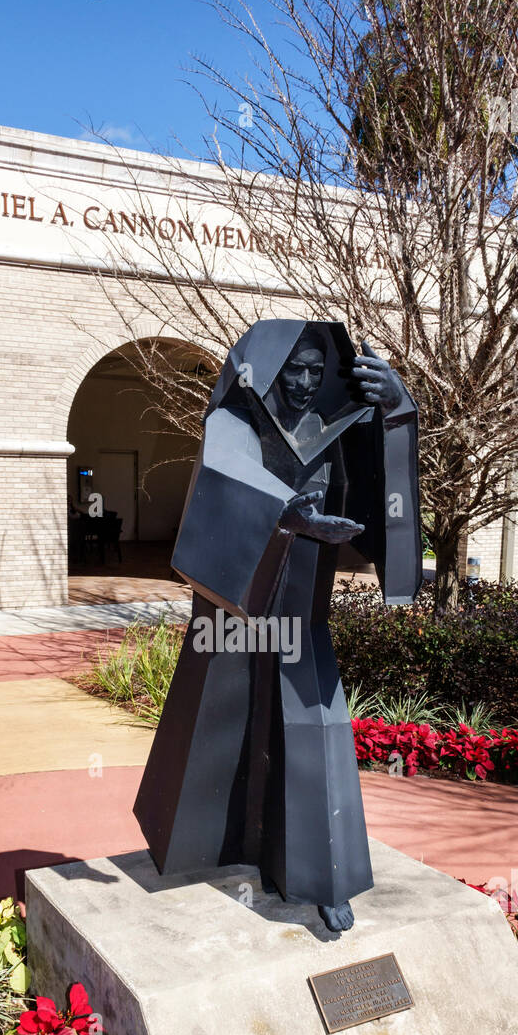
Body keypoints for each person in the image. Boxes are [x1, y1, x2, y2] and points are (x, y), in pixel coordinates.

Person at [133, 319, 422, 933]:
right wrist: (290, 517)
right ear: (266, 369)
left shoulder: (337, 423)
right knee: (219, 723)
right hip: (235, 605)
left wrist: (397, 407)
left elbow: (379, 484)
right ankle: (209, 850)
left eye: (318, 371)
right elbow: (222, 476)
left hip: (301, 606)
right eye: (295, 368)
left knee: (311, 727)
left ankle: (323, 879)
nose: (306, 381)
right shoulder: (236, 417)